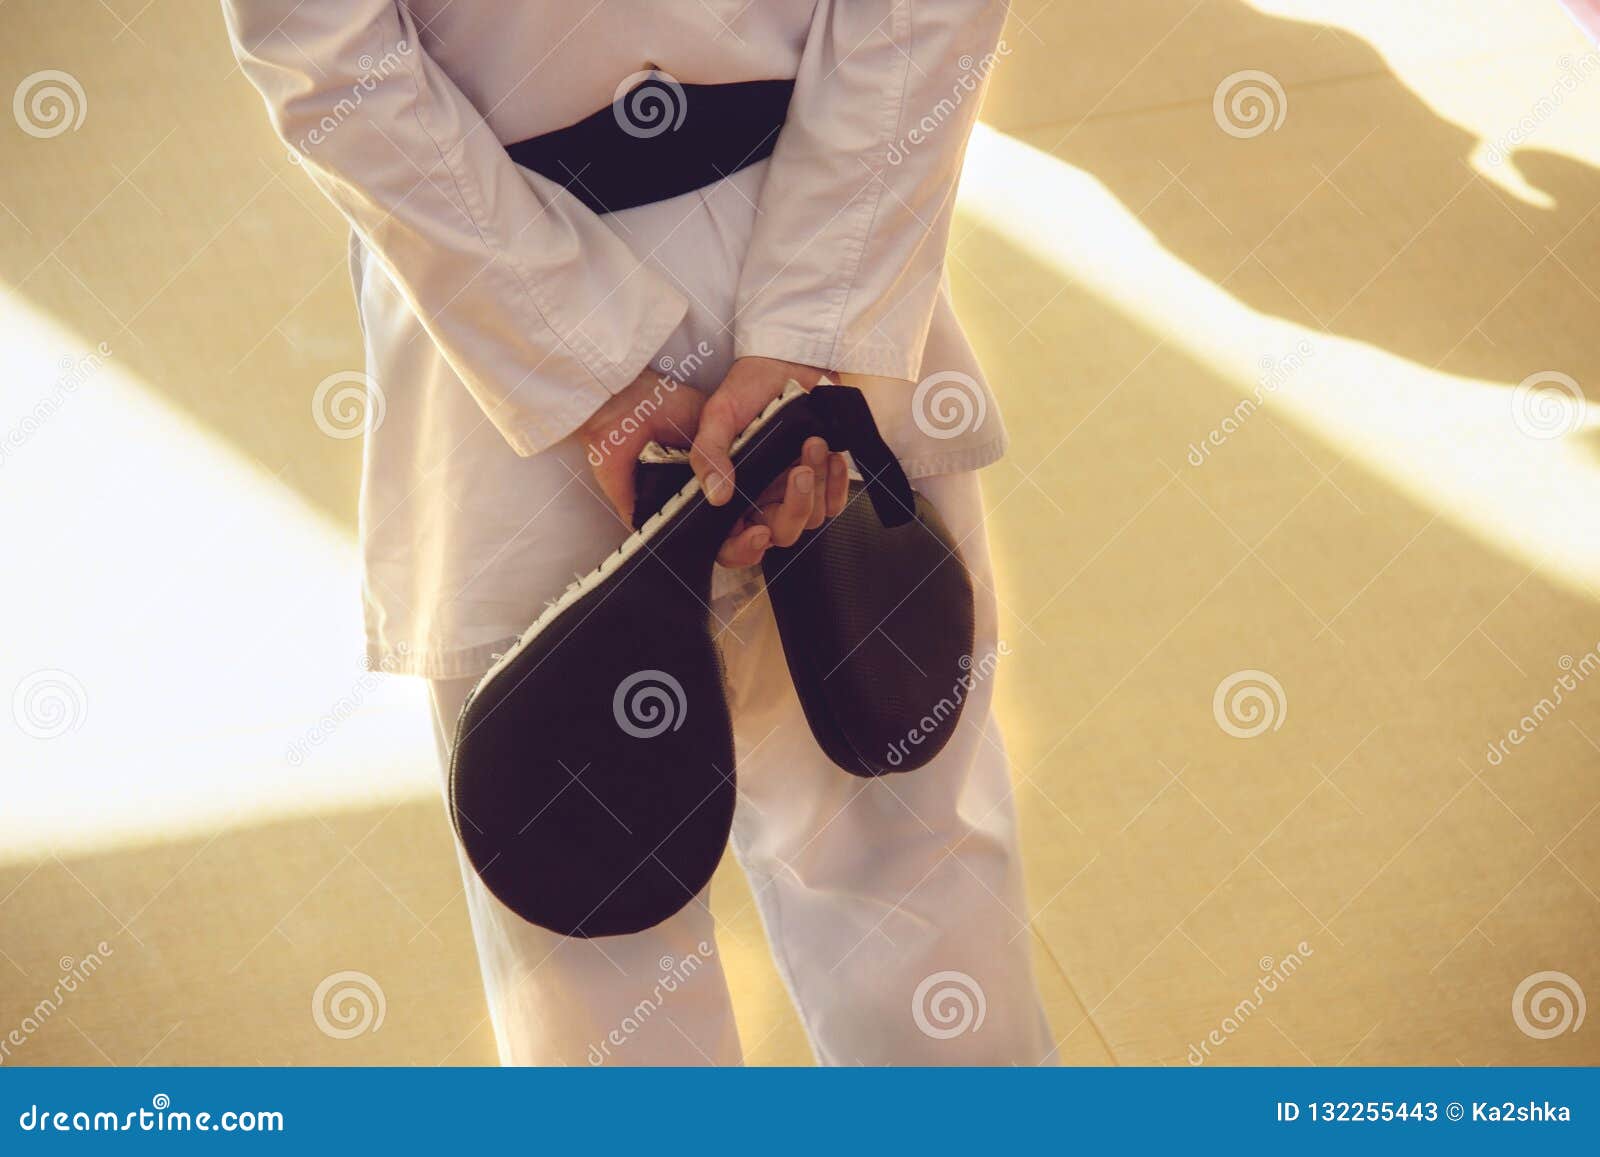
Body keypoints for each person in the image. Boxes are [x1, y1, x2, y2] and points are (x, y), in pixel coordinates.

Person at [222, 0, 1053, 1065]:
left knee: (598, 953)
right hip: (811, 285)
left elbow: (319, 52)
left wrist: (586, 369)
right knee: (909, 871)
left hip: (502, 346)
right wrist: (813, 325)